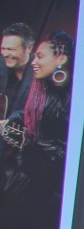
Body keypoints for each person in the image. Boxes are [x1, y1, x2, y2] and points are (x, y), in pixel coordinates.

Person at [1, 31, 73, 215]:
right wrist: (12, 121)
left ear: (61, 59)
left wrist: (35, 146)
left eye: (40, 57)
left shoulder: (70, 97)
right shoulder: (42, 89)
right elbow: (28, 116)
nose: (34, 62)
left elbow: (67, 151)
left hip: (43, 189)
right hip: (26, 175)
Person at [0, 23, 34, 121]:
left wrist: (11, 121)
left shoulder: (41, 72)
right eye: (3, 49)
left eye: (11, 49)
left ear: (28, 48)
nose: (5, 54)